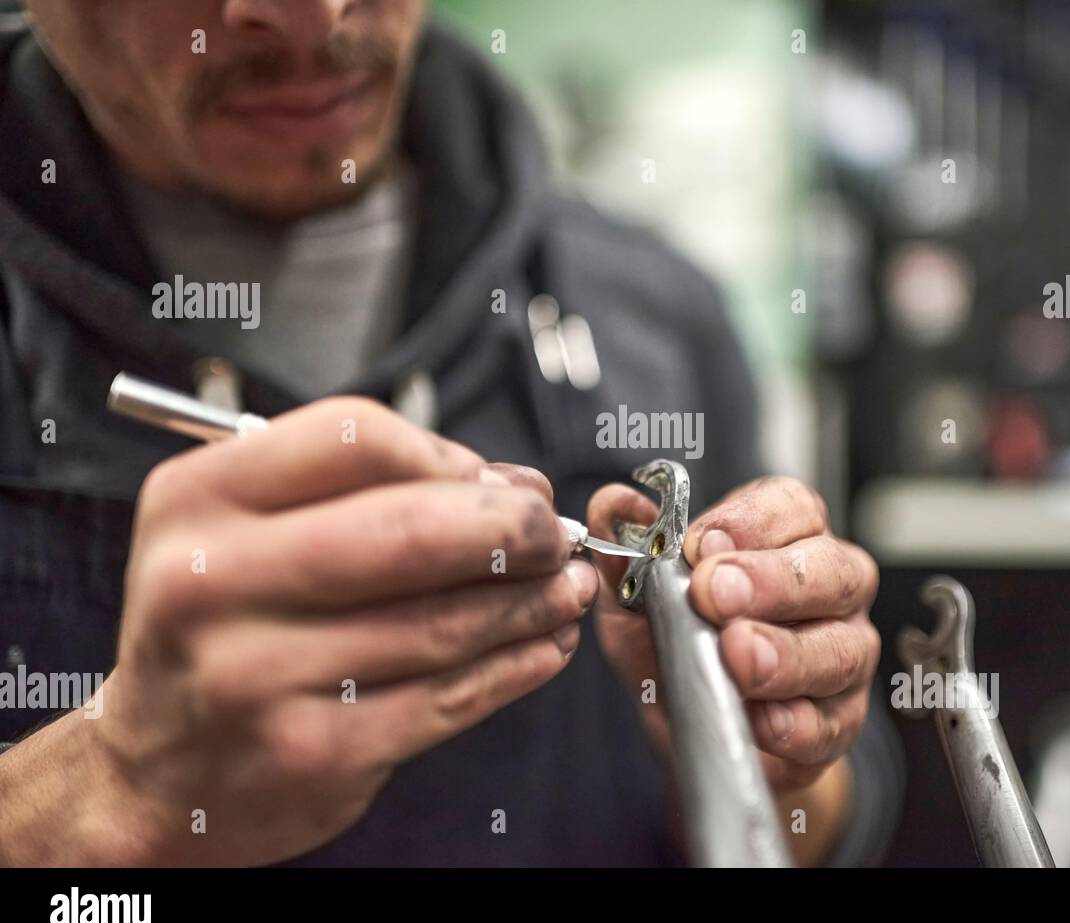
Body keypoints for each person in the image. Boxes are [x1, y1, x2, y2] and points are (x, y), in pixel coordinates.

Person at [0, 0, 902, 866]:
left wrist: (763, 761)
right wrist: (107, 790)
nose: (315, 11)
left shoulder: (657, 314)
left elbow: (806, 823)